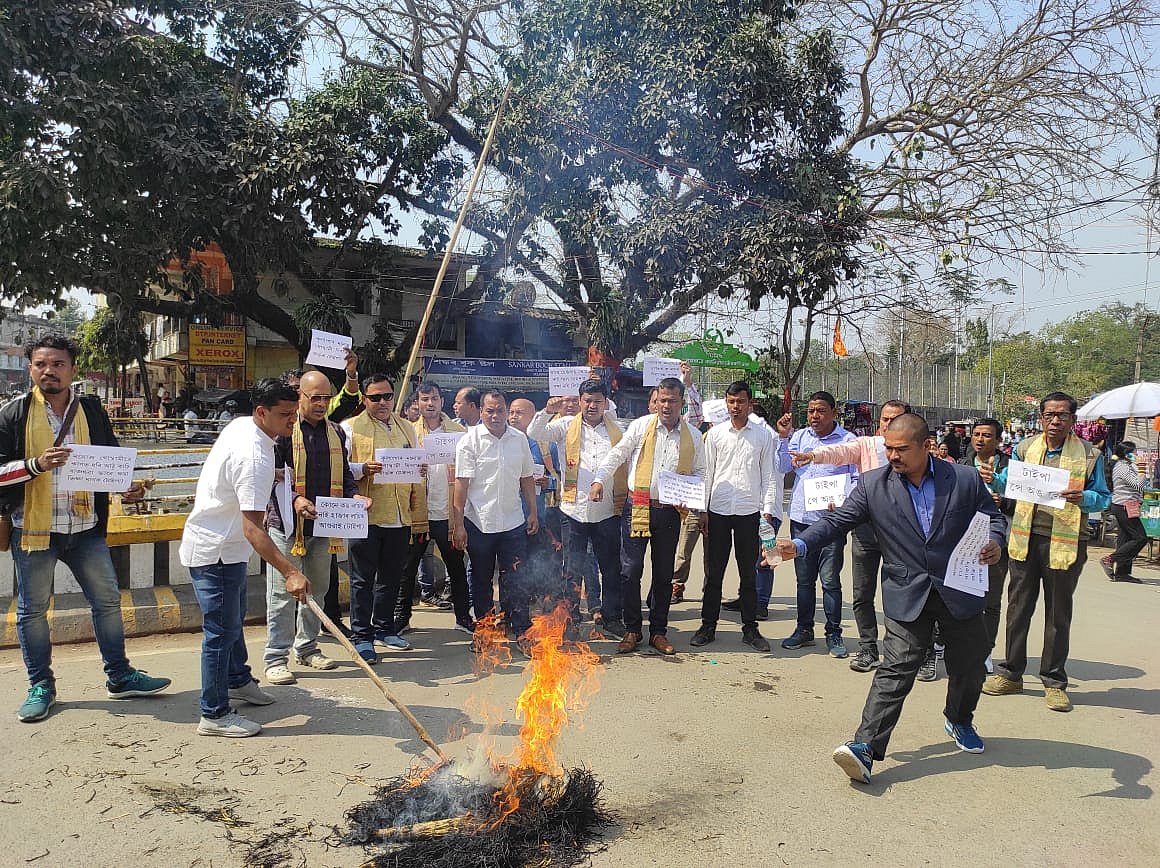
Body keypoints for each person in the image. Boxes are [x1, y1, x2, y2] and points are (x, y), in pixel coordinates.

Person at [775, 413, 1006, 783]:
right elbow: (837, 522)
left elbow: (992, 517)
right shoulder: (873, 484)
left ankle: (959, 719)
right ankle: (864, 747)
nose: (893, 456)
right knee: (897, 666)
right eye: (888, 448)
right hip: (907, 589)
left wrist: (995, 541)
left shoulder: (962, 479)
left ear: (926, 446)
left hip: (958, 587)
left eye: (901, 449)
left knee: (970, 665)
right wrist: (800, 544)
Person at [0, 334, 171, 723]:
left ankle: (120, 675)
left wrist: (125, 486)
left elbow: (108, 462)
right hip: (33, 530)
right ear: (31, 369)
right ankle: (40, 684)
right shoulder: (14, 414)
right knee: (31, 612)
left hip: (85, 527)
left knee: (108, 602)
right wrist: (35, 465)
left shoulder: (91, 411)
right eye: (41, 364)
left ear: (72, 369)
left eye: (57, 364)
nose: (49, 371)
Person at [181, 378, 309, 737]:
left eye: (294, 413)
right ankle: (215, 713)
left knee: (232, 619)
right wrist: (290, 572)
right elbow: (255, 529)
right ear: (261, 412)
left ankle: (238, 680)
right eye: (285, 415)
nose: (292, 422)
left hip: (227, 547)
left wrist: (276, 474)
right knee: (220, 632)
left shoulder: (244, 427)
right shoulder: (254, 457)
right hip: (216, 551)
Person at [983, 391, 1110, 713]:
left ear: (1073, 420)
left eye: (1063, 415)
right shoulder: (1025, 448)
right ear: (1041, 418)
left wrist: (1086, 499)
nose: (1056, 421)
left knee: (1058, 613)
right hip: (1026, 538)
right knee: (1017, 608)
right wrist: (993, 480)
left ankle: (1054, 682)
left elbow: (1104, 497)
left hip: (1066, 542)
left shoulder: (1089, 454)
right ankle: (1011, 673)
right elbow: (1009, 483)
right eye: (1050, 415)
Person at [791, 400, 911, 673]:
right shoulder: (867, 445)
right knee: (862, 594)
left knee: (900, 595)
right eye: (884, 420)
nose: (888, 425)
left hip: (902, 534)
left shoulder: (916, 453)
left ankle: (899, 651)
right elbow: (841, 452)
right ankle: (868, 648)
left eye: (896, 420)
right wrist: (813, 456)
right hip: (866, 530)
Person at [262, 371, 364, 686]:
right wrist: (294, 500)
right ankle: (275, 657)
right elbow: (267, 476)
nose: (321, 404)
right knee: (282, 592)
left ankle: (306, 647)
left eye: (325, 397)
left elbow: (345, 473)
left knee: (317, 589)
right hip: (287, 524)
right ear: (301, 397)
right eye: (314, 397)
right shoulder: (281, 433)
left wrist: (354, 495)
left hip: (325, 525)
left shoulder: (336, 432)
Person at [591, 376, 706, 656]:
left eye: (672, 401)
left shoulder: (693, 436)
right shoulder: (642, 426)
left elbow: (701, 472)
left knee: (664, 575)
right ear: (656, 400)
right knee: (630, 572)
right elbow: (618, 454)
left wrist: (698, 505)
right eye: (662, 400)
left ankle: (658, 631)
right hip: (637, 507)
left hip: (669, 512)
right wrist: (599, 480)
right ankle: (632, 629)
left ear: (681, 403)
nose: (666, 405)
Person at [529, 380, 627, 638]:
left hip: (607, 511)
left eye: (597, 401)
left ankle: (611, 617)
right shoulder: (564, 426)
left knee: (610, 567)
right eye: (587, 400)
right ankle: (571, 620)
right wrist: (548, 411)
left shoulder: (617, 429)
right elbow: (535, 433)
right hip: (573, 511)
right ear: (580, 401)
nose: (591, 405)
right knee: (572, 570)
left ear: (606, 403)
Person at [343, 374, 425, 664]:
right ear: (364, 399)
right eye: (375, 397)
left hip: (400, 514)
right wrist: (362, 468)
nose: (382, 402)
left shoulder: (407, 429)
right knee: (362, 580)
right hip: (366, 515)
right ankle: (362, 636)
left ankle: (384, 629)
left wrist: (419, 470)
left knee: (392, 577)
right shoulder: (350, 428)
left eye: (387, 396)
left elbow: (414, 465)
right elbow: (340, 469)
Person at [691, 381, 780, 652]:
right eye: (731, 402)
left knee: (749, 574)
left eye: (740, 402)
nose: (735, 407)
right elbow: (706, 473)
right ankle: (708, 625)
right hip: (717, 511)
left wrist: (766, 513)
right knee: (714, 572)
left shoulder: (763, 436)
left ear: (749, 403)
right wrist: (702, 509)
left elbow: (770, 478)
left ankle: (750, 628)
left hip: (749, 512)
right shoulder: (716, 435)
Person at [451, 390, 539, 650]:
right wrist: (458, 525)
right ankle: (485, 630)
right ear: (480, 411)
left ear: (506, 411)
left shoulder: (519, 439)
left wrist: (532, 511)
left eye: (500, 410)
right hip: (480, 523)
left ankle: (521, 630)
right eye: (489, 410)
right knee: (481, 580)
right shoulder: (469, 441)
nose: (495, 415)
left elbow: (526, 478)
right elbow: (461, 484)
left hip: (513, 522)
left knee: (516, 578)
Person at [775, 391, 858, 657]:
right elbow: (782, 466)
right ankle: (804, 630)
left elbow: (856, 478)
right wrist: (784, 437)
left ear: (834, 412)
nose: (814, 416)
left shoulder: (848, 441)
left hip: (832, 523)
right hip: (801, 520)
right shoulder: (799, 437)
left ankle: (834, 634)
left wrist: (844, 500)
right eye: (810, 411)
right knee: (804, 580)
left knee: (830, 581)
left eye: (821, 410)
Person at [398, 383, 473, 633]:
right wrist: (411, 468)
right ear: (417, 403)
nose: (430, 403)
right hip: (417, 511)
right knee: (407, 569)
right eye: (424, 399)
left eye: (435, 399)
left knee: (456, 567)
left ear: (442, 401)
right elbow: (397, 467)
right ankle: (401, 619)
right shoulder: (406, 431)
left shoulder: (458, 432)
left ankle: (463, 618)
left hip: (447, 512)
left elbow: (468, 469)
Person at [957, 418, 1013, 672]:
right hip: (964, 539)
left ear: (999, 440)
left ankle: (985, 651)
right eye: (977, 434)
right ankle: (958, 647)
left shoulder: (1011, 467)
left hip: (996, 540)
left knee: (991, 600)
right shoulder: (962, 465)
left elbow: (1023, 501)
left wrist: (1003, 501)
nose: (980, 439)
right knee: (961, 596)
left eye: (987, 435)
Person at [1101, 441, 1147, 583]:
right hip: (1123, 506)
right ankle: (1110, 559)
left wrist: (1139, 467)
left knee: (1125, 538)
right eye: (1133, 452)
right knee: (1140, 538)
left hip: (1128, 505)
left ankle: (1122, 572)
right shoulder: (1122, 467)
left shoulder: (1128, 465)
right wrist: (1142, 469)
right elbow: (1138, 485)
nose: (1136, 454)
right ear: (1126, 454)